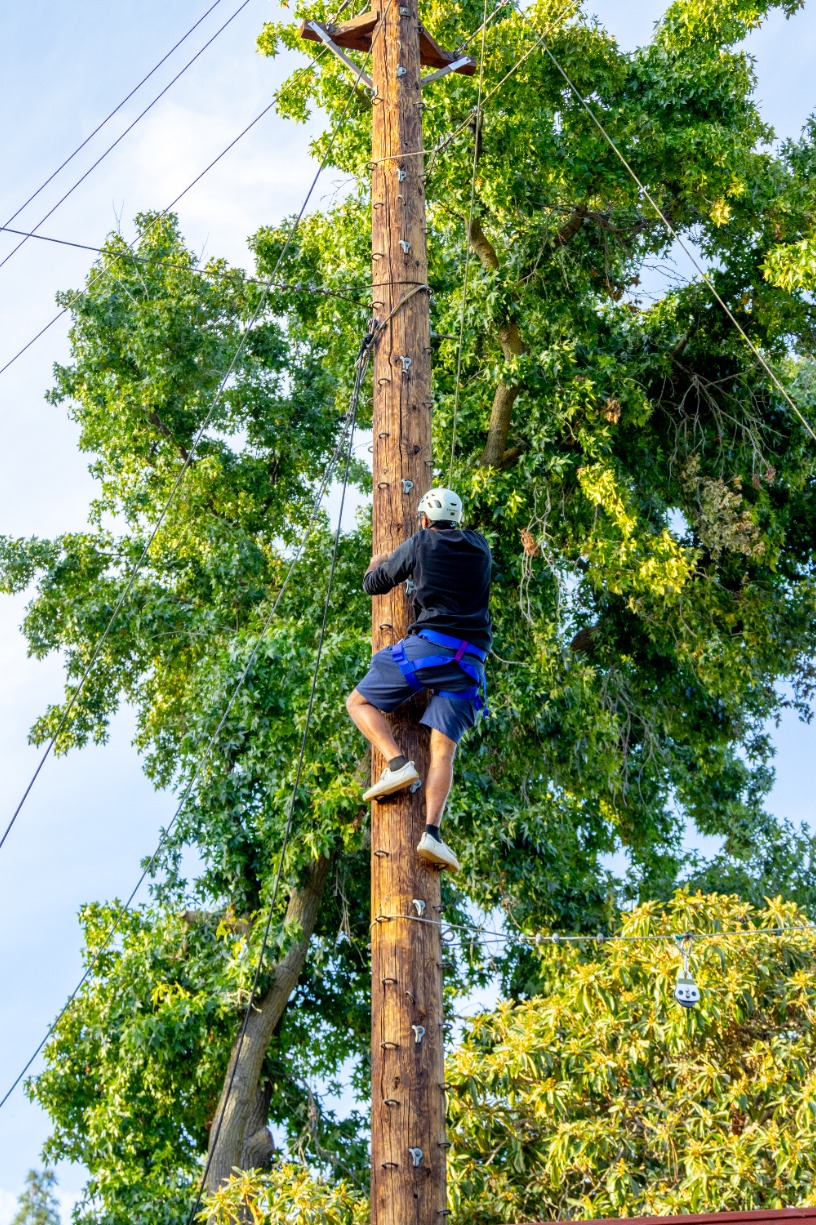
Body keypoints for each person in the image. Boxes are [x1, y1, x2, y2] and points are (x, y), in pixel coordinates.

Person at [346, 487, 492, 872]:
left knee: (357, 703)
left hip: (430, 648)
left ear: (425, 519)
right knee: (443, 751)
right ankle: (433, 833)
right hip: (470, 664)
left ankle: (396, 764)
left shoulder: (420, 541)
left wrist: (378, 562)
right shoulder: (481, 548)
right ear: (457, 520)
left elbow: (374, 585)